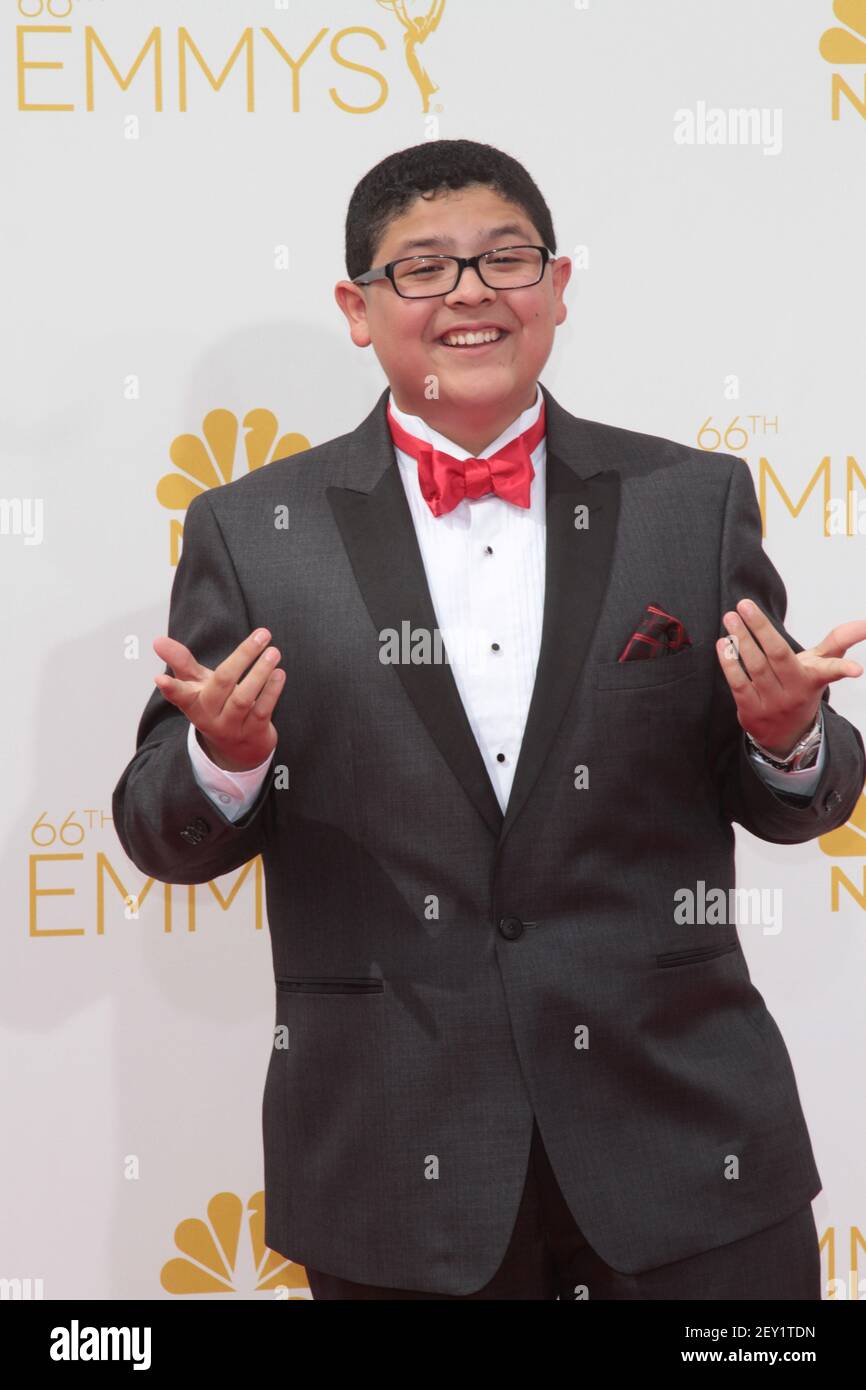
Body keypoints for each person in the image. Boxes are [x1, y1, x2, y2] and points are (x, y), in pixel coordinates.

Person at [112, 139, 866, 1300]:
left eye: (501, 259)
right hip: (391, 1152)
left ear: (556, 289)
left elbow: (789, 792)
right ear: (357, 310)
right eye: (421, 268)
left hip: (685, 1143)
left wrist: (780, 737)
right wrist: (225, 757)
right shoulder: (251, 529)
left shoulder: (690, 502)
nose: (468, 291)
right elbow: (160, 832)